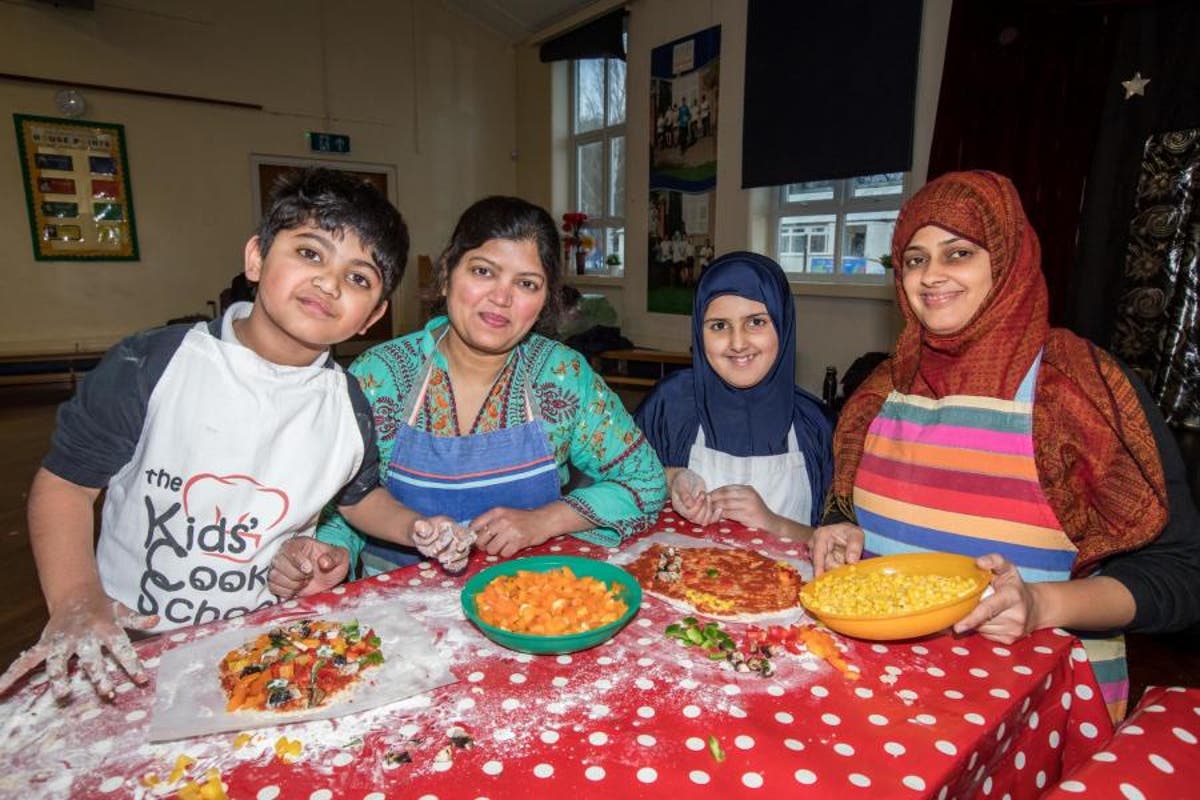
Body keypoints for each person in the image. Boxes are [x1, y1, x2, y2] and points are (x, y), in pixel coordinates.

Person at [0, 169, 469, 702]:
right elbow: (66, 485)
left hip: (266, 646)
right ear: (256, 258)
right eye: (310, 253)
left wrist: (416, 527)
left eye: (359, 278)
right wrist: (76, 599)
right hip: (129, 645)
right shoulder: (155, 364)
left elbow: (358, 499)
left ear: (374, 316)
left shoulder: (348, 404)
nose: (329, 283)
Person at [811, 170, 1200, 721]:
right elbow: (847, 500)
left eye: (959, 253)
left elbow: (1182, 573)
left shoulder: (1076, 387)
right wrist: (839, 523)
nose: (931, 275)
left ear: (1009, 258)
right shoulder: (881, 389)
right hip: (885, 697)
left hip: (1034, 713)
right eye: (915, 259)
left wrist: (1042, 604)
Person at [268, 196, 667, 596]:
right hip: (397, 610)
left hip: (533, 604)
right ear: (447, 274)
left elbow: (645, 482)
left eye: (526, 284)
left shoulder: (562, 377)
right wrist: (331, 553)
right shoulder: (380, 375)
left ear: (546, 300)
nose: (502, 297)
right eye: (483, 271)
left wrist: (546, 521)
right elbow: (344, 501)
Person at [635, 252, 833, 540]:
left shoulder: (817, 426)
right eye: (719, 326)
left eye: (756, 322)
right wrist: (670, 479)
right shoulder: (669, 405)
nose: (738, 343)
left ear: (783, 324)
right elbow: (616, 487)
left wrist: (773, 523)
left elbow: (837, 547)